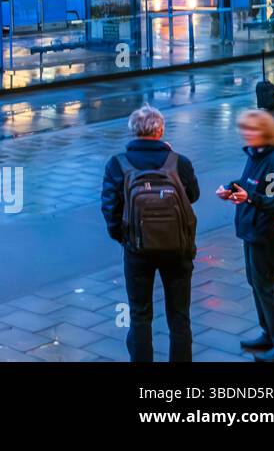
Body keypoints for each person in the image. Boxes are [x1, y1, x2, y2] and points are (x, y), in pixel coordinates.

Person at [100, 104, 199, 362]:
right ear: (161, 130)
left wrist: (124, 237)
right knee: (179, 316)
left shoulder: (117, 164)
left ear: (133, 131)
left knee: (140, 314)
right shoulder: (179, 162)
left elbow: (110, 208)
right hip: (177, 248)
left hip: (138, 249)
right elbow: (193, 195)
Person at [217, 109, 274, 361]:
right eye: (244, 129)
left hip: (266, 234)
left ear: (265, 132)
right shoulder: (256, 154)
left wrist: (250, 198)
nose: (246, 134)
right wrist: (232, 187)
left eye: (252, 130)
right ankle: (269, 334)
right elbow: (251, 182)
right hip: (251, 230)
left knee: (266, 288)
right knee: (256, 285)